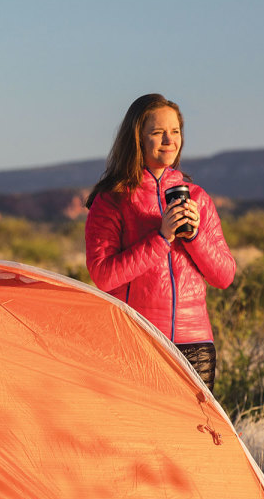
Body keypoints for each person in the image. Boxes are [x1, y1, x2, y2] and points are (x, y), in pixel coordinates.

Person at [84, 93, 235, 391]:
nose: (169, 140)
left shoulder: (198, 198)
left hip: (196, 343)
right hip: (139, 337)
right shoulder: (112, 200)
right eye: (157, 132)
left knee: (195, 436)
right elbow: (103, 275)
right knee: (141, 434)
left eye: (175, 131)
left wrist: (194, 236)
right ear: (137, 139)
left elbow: (224, 276)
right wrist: (160, 238)